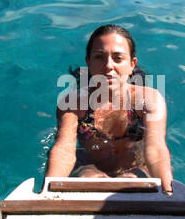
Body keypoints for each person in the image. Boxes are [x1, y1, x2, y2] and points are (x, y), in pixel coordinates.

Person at [45, 24, 173, 195]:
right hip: (89, 167)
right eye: (99, 57)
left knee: (132, 183)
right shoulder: (74, 102)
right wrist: (48, 191)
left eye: (118, 58)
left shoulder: (147, 100)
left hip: (136, 168)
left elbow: (156, 149)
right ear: (88, 62)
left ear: (131, 65)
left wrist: (168, 192)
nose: (108, 66)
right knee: (90, 178)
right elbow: (64, 149)